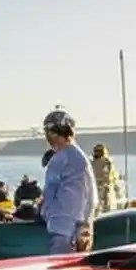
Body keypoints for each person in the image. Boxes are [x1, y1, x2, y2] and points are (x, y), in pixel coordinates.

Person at [40, 108, 98, 255]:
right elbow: (91, 196)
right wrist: (86, 224)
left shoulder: (61, 159)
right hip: (78, 226)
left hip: (64, 228)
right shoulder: (79, 158)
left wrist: (44, 211)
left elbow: (49, 194)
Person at [91, 143, 121, 213]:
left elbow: (108, 175)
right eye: (97, 151)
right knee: (105, 209)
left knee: (103, 208)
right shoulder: (105, 162)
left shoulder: (106, 162)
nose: (97, 152)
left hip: (103, 189)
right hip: (102, 189)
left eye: (99, 151)